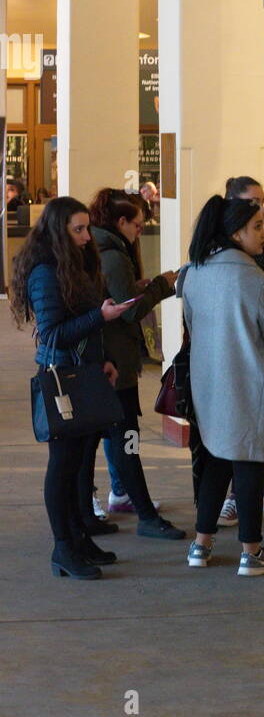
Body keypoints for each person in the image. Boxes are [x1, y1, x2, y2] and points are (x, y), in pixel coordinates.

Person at [8, 197, 130, 578]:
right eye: (77, 229)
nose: (85, 236)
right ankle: (63, 547)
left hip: (84, 372)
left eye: (86, 228)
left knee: (79, 462)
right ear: (58, 231)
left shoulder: (73, 263)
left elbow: (84, 323)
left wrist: (105, 357)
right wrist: (101, 316)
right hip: (61, 378)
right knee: (62, 465)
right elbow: (54, 334)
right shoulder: (45, 271)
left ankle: (79, 538)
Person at [180, 194, 264, 575]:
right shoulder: (256, 279)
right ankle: (252, 552)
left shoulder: (194, 272)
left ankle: (201, 545)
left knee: (213, 461)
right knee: (248, 465)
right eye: (257, 227)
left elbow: (192, 328)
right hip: (249, 385)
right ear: (235, 232)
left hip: (208, 384)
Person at [86, 189, 185, 540]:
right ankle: (143, 513)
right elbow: (130, 312)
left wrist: (139, 287)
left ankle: (104, 503)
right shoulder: (112, 255)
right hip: (114, 362)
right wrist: (163, 285)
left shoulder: (101, 248)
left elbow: (119, 297)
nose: (141, 231)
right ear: (121, 222)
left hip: (103, 360)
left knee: (105, 437)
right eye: (138, 225)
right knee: (127, 437)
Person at [217, 176, 264, 529]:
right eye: (251, 202)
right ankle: (247, 491)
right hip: (226, 352)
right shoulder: (216, 251)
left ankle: (259, 489)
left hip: (260, 348)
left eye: (262, 201)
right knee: (231, 428)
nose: (260, 208)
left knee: (254, 429)